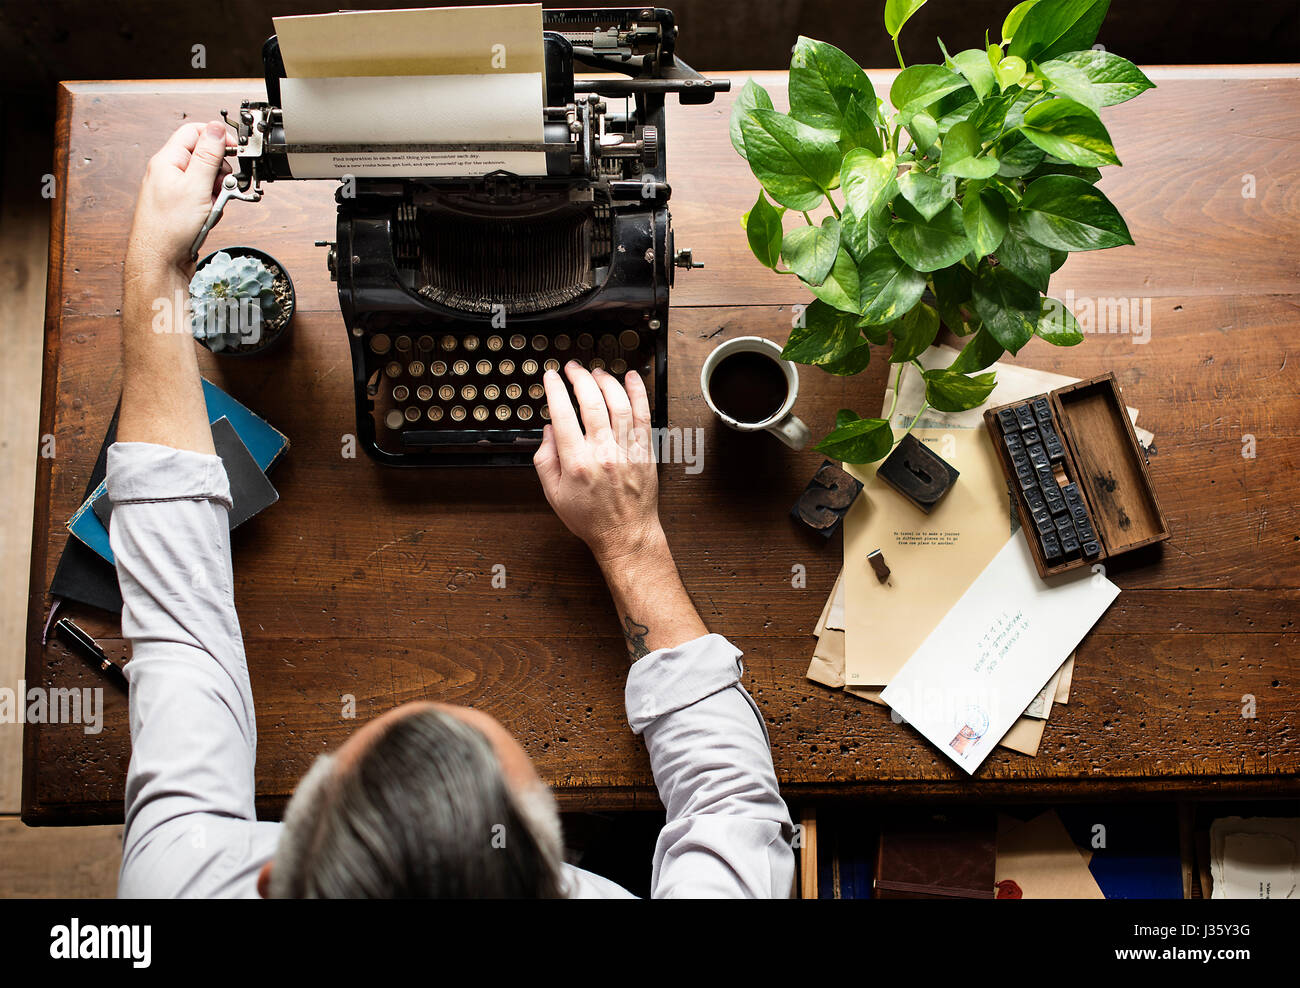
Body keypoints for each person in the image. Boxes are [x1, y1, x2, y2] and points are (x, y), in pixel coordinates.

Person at [110, 121, 795, 898]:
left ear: (266, 882)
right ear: (560, 880)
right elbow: (733, 802)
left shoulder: (181, 879)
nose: (432, 708)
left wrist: (154, 262)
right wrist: (631, 542)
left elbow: (176, 627)